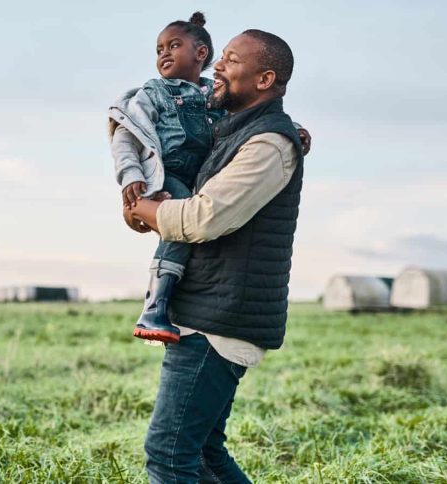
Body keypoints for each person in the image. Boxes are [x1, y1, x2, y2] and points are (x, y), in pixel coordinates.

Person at [123, 29, 310, 483]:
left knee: (168, 454)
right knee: (203, 451)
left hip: (219, 321)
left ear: (265, 79)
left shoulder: (268, 143)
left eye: (231, 60)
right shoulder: (237, 131)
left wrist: (145, 209)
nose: (217, 67)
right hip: (210, 311)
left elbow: (205, 217)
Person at [108, 12, 224, 344]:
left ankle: (190, 305)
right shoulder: (154, 92)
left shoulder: (217, 93)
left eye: (174, 46)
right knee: (177, 230)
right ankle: (153, 309)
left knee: (205, 234)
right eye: (159, 49)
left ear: (200, 54)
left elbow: (254, 114)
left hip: (206, 178)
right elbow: (126, 137)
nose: (164, 54)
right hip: (168, 176)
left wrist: (292, 127)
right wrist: (131, 175)